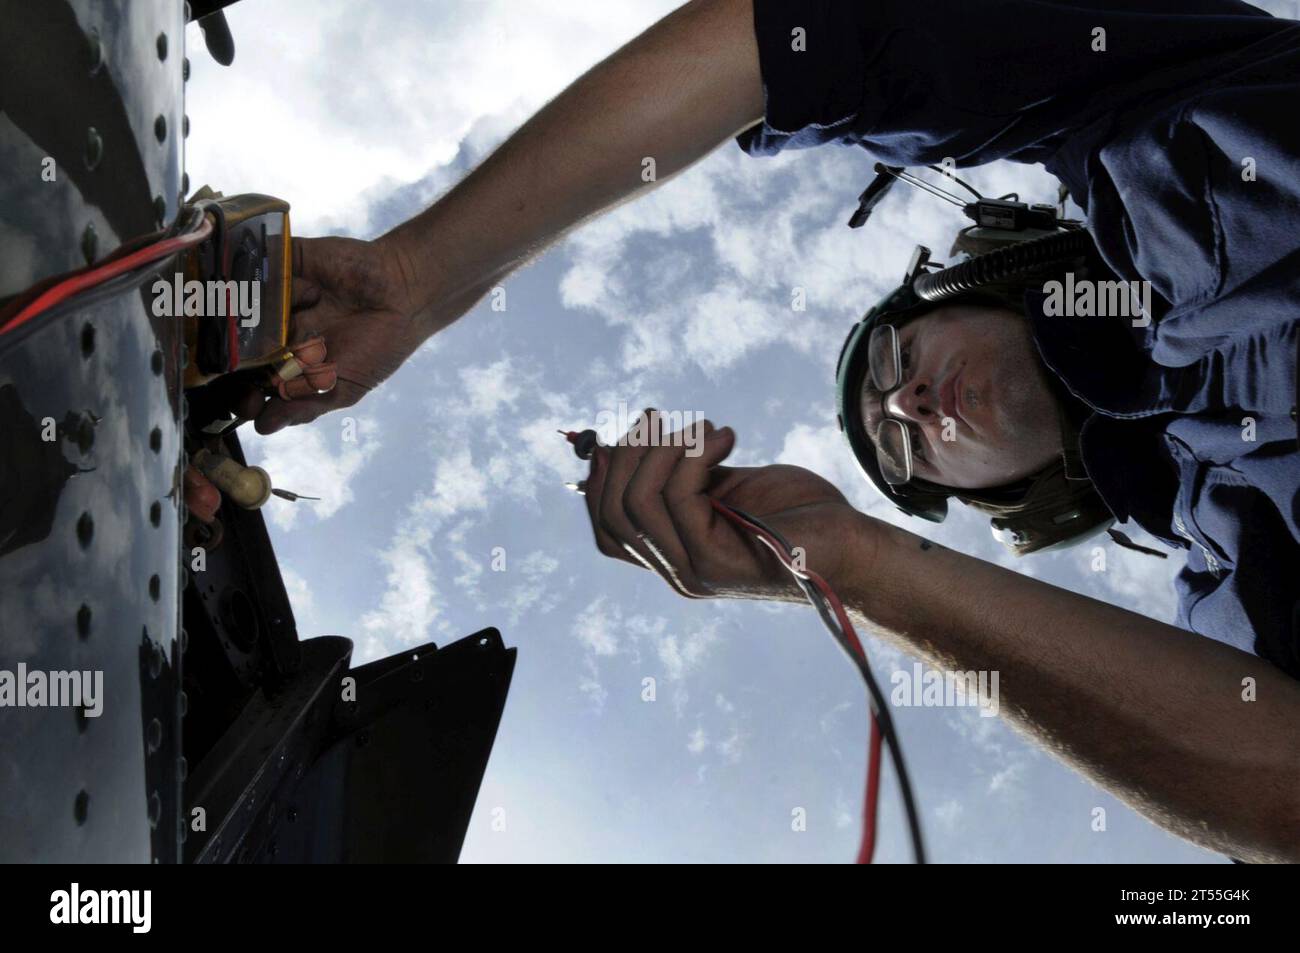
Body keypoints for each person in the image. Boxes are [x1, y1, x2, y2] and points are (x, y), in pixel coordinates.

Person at [238, 0, 1300, 861]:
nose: (905, 407)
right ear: (1005, 500)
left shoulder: (1137, 105)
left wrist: (420, 277)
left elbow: (778, 43)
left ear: (975, 275)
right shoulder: (1239, 608)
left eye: (895, 359)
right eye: (905, 455)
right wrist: (858, 563)